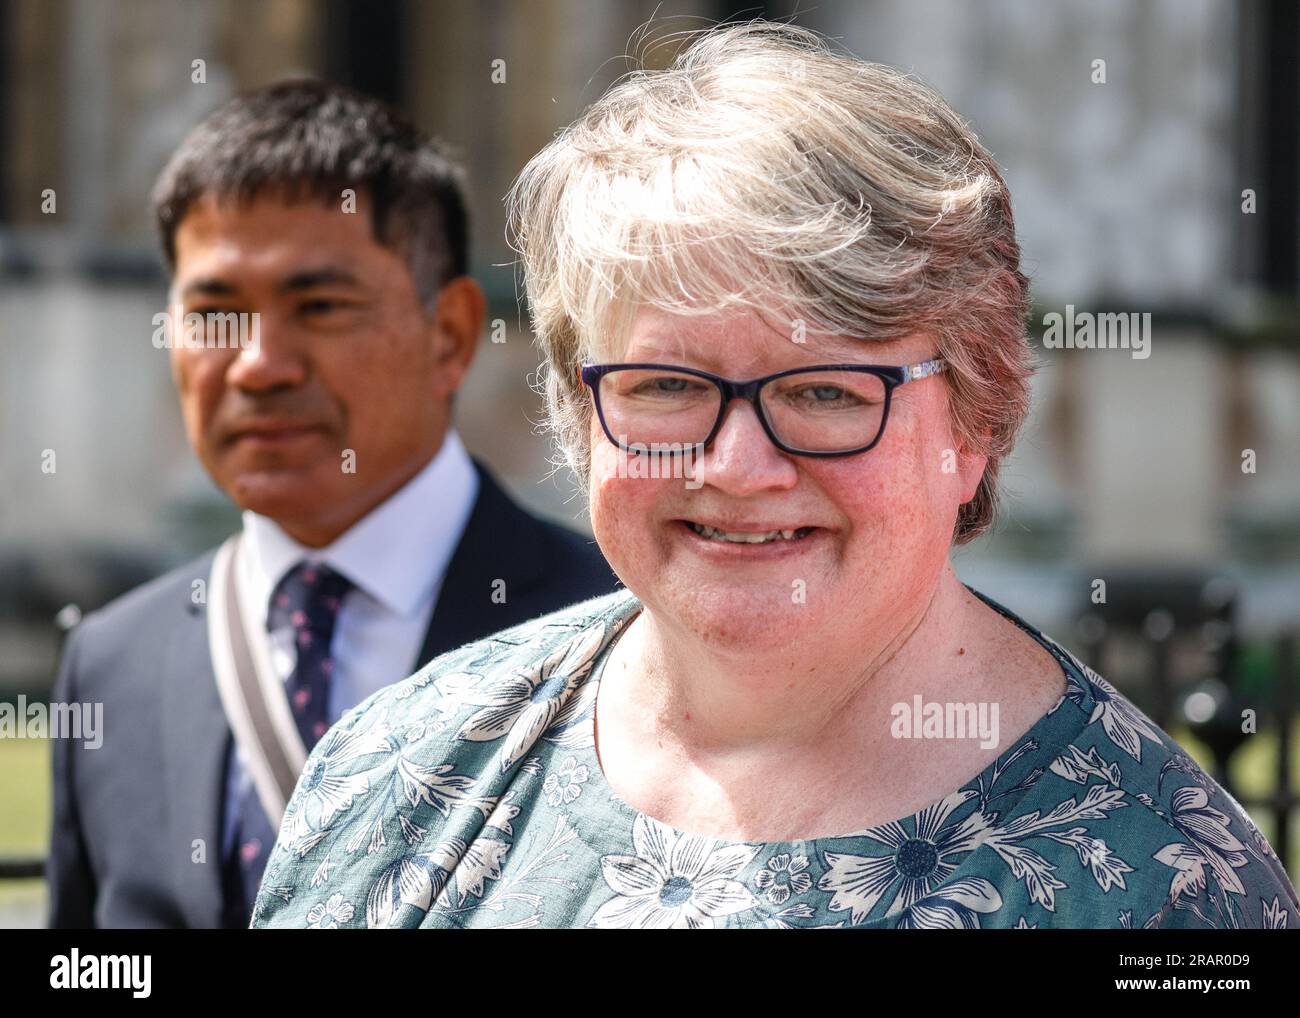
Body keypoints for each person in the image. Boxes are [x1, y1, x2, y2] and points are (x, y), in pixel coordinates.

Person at [250, 23, 1299, 929]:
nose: (737, 467)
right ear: (581, 409)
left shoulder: (1156, 888)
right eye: (665, 385)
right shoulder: (401, 768)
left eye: (827, 393)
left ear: (975, 416)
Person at [46, 80, 620, 929]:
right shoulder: (111, 663)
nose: (258, 366)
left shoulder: (613, 631)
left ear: (451, 334)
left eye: (319, 307)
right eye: (214, 313)